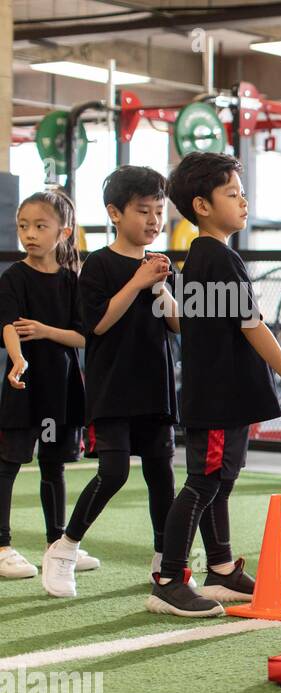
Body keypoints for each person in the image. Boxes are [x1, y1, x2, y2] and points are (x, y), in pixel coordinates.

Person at [147, 151, 281, 616]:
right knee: (203, 483)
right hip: (219, 397)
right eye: (232, 194)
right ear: (202, 205)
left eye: (242, 193)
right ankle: (169, 578)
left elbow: (190, 324)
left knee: (219, 482)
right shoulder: (217, 258)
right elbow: (252, 324)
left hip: (222, 394)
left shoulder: (203, 258)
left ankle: (221, 568)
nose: (243, 202)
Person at [43, 166, 178, 598]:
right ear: (115, 213)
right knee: (114, 471)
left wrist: (161, 288)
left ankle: (165, 560)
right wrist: (138, 282)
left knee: (162, 474)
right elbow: (97, 325)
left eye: (159, 211)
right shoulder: (98, 264)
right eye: (144, 211)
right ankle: (64, 548)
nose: (154, 221)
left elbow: (177, 325)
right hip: (112, 388)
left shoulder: (158, 265)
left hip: (155, 386)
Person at [0, 190, 95, 581]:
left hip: (59, 392)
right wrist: (18, 357)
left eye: (40, 226)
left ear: (63, 231)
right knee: (8, 464)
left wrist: (44, 331)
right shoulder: (14, 277)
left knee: (52, 465)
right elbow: (8, 325)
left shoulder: (73, 282)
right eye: (23, 226)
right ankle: (3, 545)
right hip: (25, 391)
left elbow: (84, 337)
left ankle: (56, 542)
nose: (30, 234)